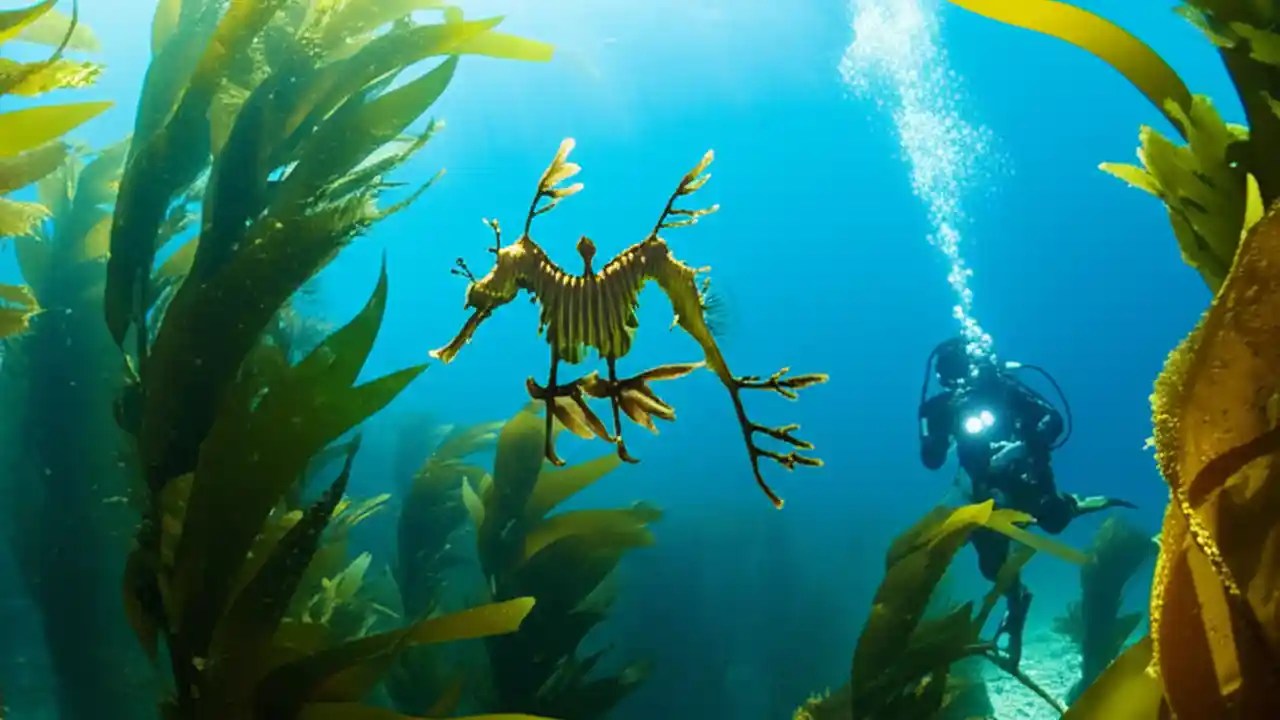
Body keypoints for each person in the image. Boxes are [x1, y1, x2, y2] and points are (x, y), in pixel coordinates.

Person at [917, 336, 1133, 667]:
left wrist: (1030, 442)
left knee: (1054, 520)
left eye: (960, 368)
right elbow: (932, 460)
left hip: (1023, 473)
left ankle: (1072, 504)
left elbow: (1054, 420)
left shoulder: (1003, 388)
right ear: (943, 377)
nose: (959, 379)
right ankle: (1016, 602)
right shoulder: (944, 408)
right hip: (981, 489)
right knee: (991, 564)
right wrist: (929, 432)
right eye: (950, 373)